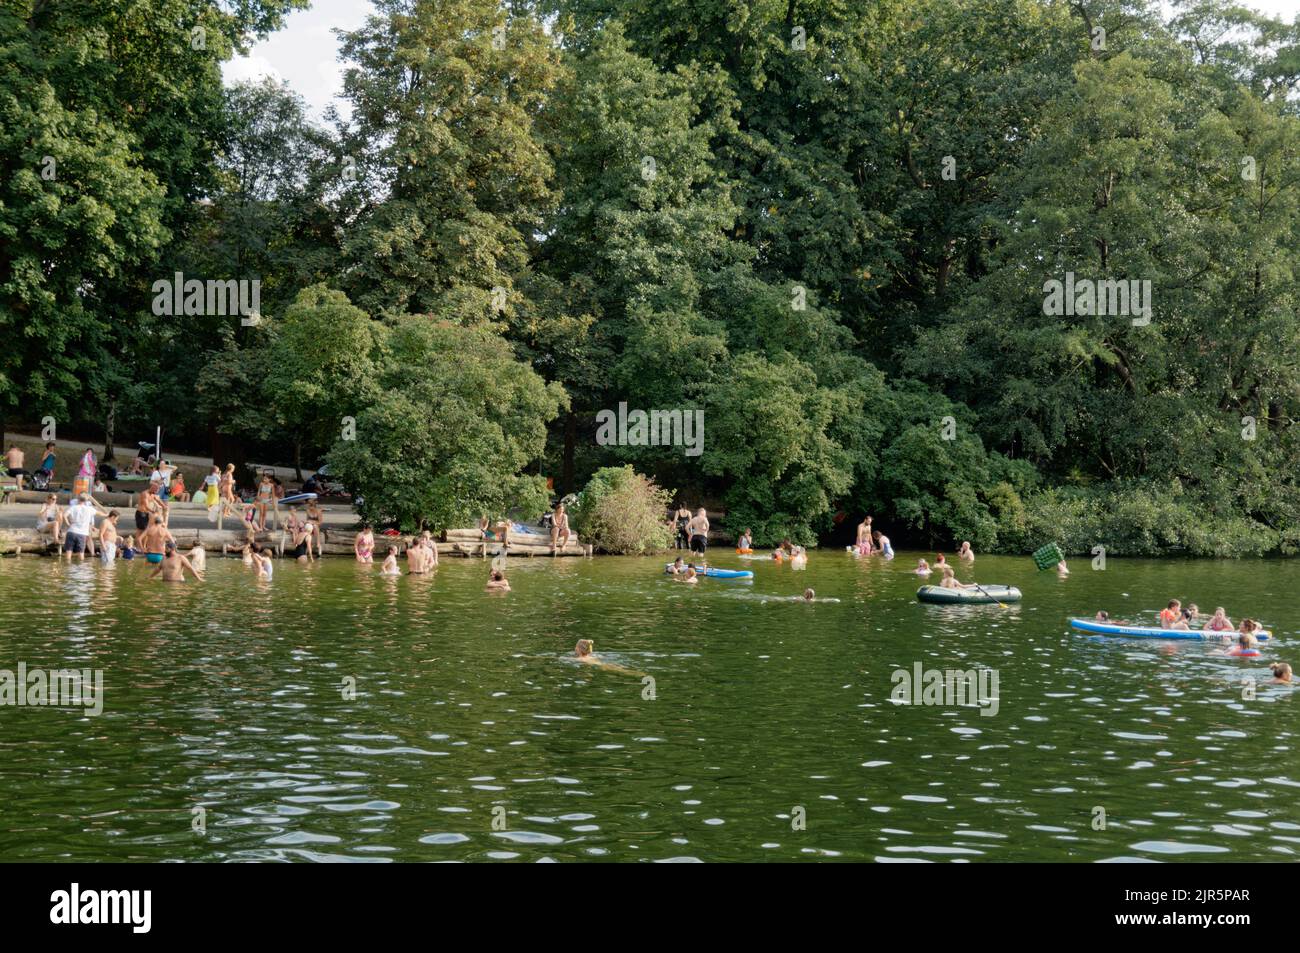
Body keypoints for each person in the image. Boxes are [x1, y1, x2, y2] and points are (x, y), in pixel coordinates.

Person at [61, 493, 101, 560]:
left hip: (71, 531)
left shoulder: (73, 507)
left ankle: (67, 567)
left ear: (78, 499)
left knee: (68, 552)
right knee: (81, 553)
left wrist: (68, 523)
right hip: (82, 534)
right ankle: (81, 568)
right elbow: (100, 513)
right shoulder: (89, 509)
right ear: (86, 501)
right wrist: (107, 514)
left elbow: (64, 515)